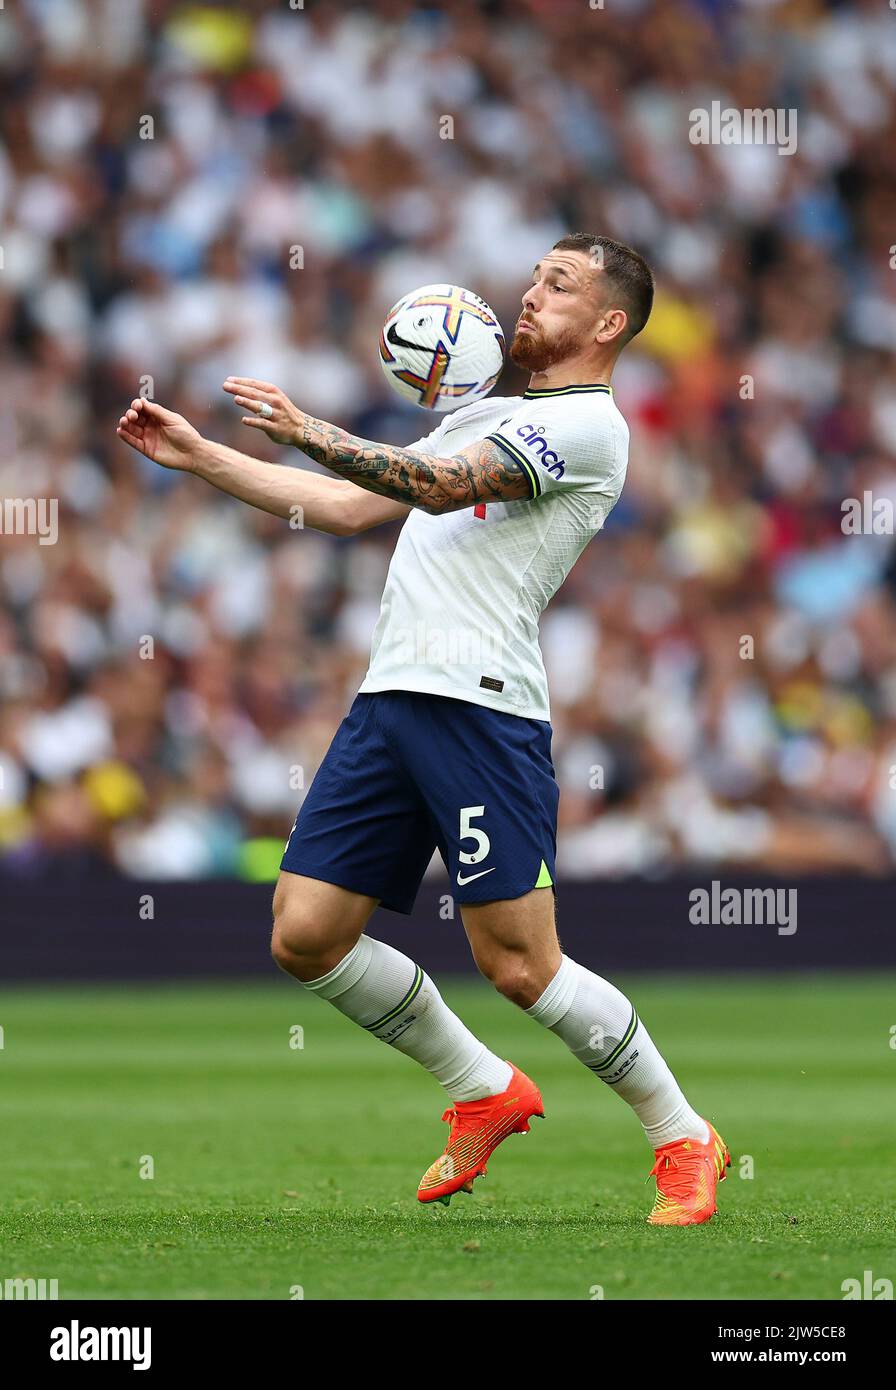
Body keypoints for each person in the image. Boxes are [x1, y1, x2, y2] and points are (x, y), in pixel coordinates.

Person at [117, 233, 729, 1224]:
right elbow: (346, 506)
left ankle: (680, 1136)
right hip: (390, 699)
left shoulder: (589, 429)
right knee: (305, 935)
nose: (529, 296)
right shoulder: (491, 412)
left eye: (559, 286)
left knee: (519, 965)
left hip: (482, 709)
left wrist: (304, 424)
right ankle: (483, 1087)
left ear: (608, 323)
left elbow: (434, 486)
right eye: (533, 276)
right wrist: (201, 456)